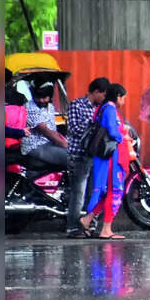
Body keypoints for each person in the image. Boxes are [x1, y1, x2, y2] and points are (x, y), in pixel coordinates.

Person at [77, 84, 132, 239]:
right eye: (124, 98)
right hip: (113, 157)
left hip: (109, 157)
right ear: (118, 97)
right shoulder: (110, 109)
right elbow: (113, 131)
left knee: (109, 193)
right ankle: (106, 230)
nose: (124, 101)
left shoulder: (103, 108)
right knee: (115, 191)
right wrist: (124, 136)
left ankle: (87, 220)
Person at [65, 77, 110, 237]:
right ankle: (73, 227)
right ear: (96, 92)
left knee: (94, 192)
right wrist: (96, 127)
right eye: (103, 95)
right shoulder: (76, 105)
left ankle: (90, 226)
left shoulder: (102, 109)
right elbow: (74, 129)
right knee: (78, 193)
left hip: (96, 156)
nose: (104, 99)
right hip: (79, 154)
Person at [22, 80, 69, 169]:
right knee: (75, 159)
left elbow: (53, 130)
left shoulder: (50, 107)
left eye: (44, 97)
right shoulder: (30, 107)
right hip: (35, 146)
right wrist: (65, 145)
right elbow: (46, 131)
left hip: (49, 143)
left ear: (50, 96)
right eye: (38, 97)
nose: (41, 100)